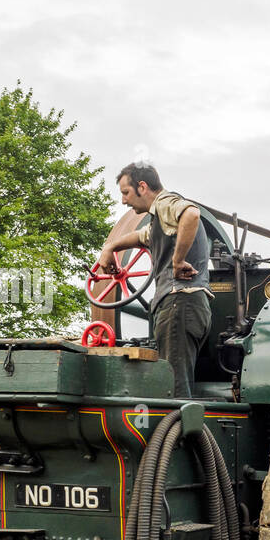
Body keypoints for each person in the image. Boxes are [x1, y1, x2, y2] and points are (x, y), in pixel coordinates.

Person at [96, 163, 211, 398]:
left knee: (174, 388)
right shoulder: (159, 220)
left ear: (142, 186)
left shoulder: (164, 202)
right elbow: (141, 237)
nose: (123, 201)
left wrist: (178, 260)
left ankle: (180, 434)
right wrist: (110, 247)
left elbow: (191, 213)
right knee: (177, 383)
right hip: (188, 305)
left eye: (125, 193)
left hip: (179, 303)